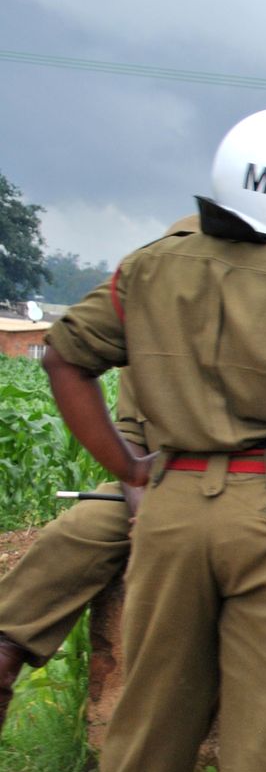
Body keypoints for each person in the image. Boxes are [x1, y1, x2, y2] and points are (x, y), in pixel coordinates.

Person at [41, 106, 266, 772]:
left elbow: (66, 357)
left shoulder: (149, 268)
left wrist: (131, 466)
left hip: (171, 505)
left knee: (152, 710)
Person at [0, 219, 200, 732]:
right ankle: (7, 647)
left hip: (254, 485)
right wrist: (142, 505)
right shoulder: (157, 325)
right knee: (77, 530)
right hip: (165, 481)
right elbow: (134, 438)